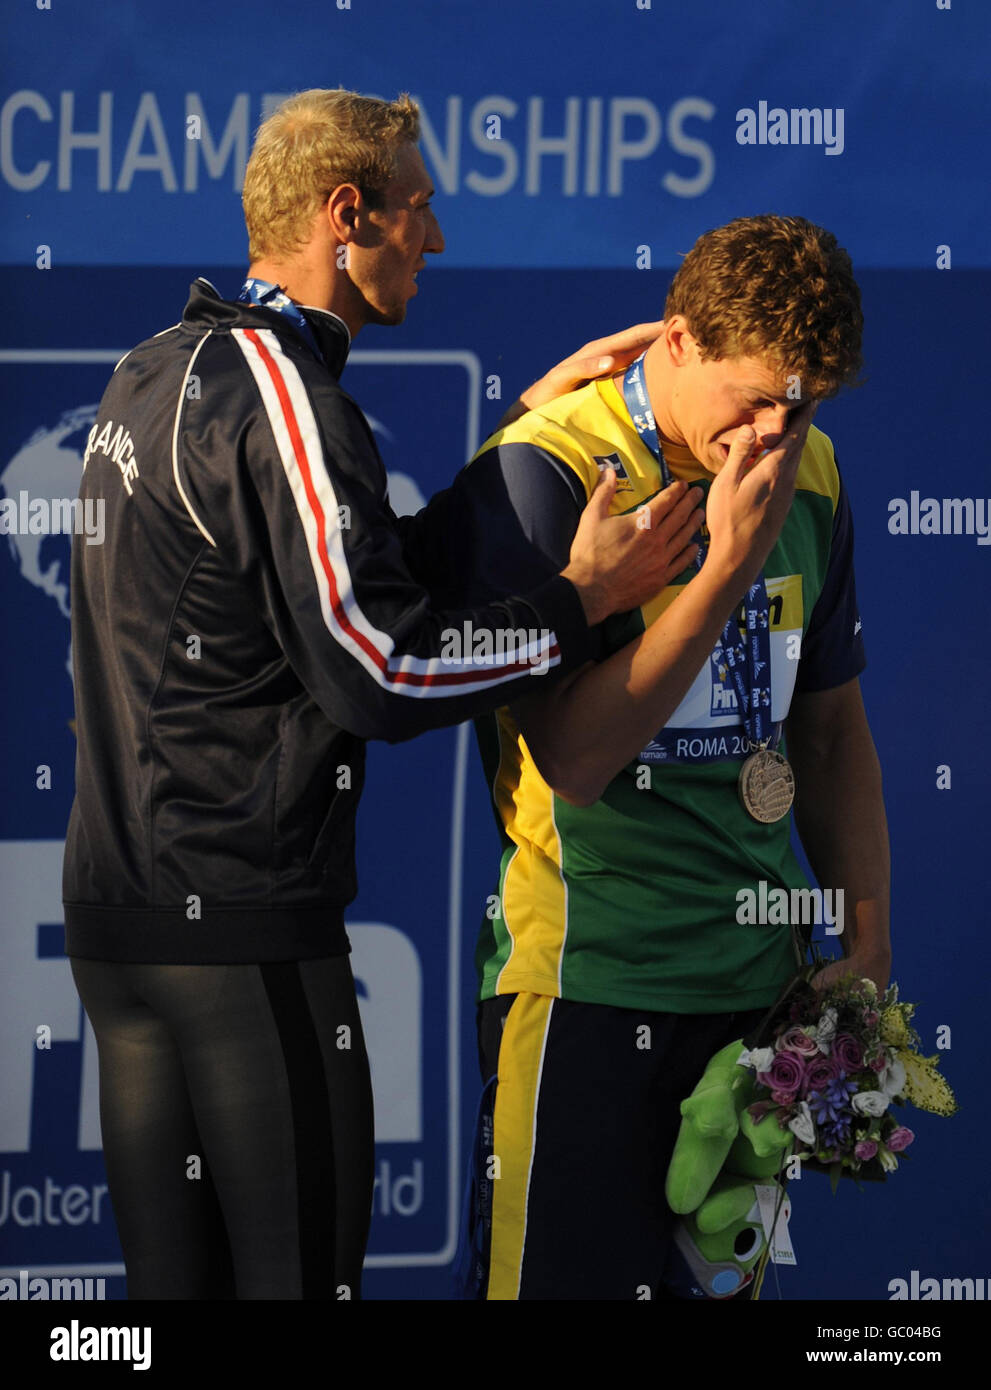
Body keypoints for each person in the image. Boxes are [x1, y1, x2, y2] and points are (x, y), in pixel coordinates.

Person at [61, 88, 706, 1300]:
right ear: (345, 215)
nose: (440, 240)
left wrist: (520, 433)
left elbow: (337, 584)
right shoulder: (281, 396)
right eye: (422, 208)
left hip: (126, 934)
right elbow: (377, 665)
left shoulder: (154, 368)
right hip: (244, 935)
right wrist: (580, 602)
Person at [420, 215, 892, 1300]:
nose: (771, 433)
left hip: (754, 1007)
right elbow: (576, 757)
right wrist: (725, 567)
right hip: (588, 981)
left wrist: (866, 940)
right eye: (754, 398)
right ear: (676, 339)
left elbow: (827, 732)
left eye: (802, 402)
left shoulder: (809, 472)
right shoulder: (550, 468)